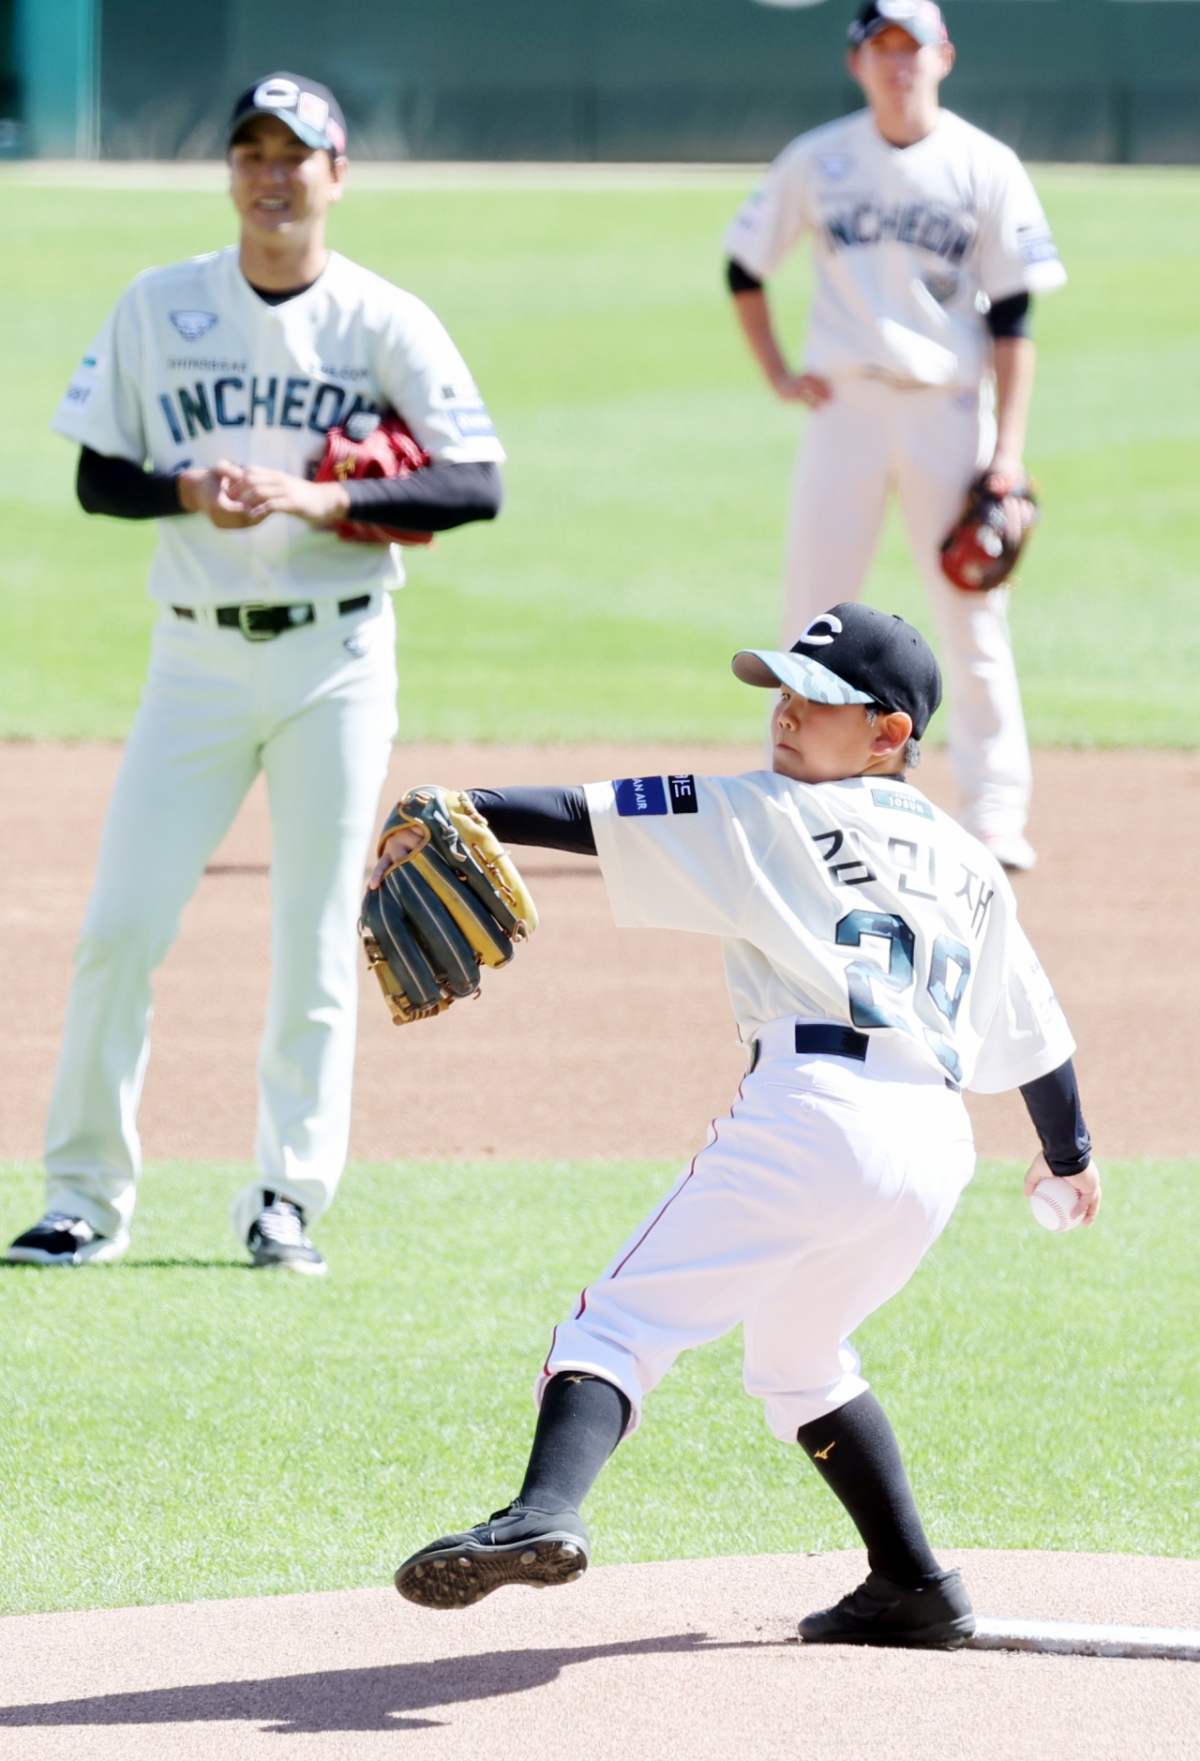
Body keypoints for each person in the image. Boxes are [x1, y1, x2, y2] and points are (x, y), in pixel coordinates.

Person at [386, 603, 1099, 1647]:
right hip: (936, 1146)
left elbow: (589, 816)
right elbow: (1036, 1035)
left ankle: (543, 1511)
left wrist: (461, 805)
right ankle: (913, 1583)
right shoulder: (970, 861)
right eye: (781, 687)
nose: (786, 711)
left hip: (815, 1118)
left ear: (891, 734)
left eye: (820, 698)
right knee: (802, 1362)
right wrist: (1070, 1151)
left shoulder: (767, 810)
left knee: (616, 1325)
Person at [7, 73, 505, 1274]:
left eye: (298, 154)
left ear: (339, 175)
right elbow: (95, 478)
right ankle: (83, 1196)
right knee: (121, 925)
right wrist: (187, 491)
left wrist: (326, 494)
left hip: (338, 656)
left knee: (317, 933)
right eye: (252, 151)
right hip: (192, 656)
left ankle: (286, 1196)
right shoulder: (156, 304)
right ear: (230, 170)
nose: (272, 173)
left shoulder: (384, 319)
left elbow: (475, 481)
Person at [724, 0, 1066, 873]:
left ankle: (994, 814)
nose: (898, 63)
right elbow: (744, 262)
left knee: (971, 611)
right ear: (858, 63)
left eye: (911, 47)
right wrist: (775, 370)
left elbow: (1016, 313)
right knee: (813, 613)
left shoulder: (985, 164)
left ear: (943, 56)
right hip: (844, 405)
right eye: (881, 47)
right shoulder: (820, 158)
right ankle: (796, 794)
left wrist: (1009, 450)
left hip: (947, 408)